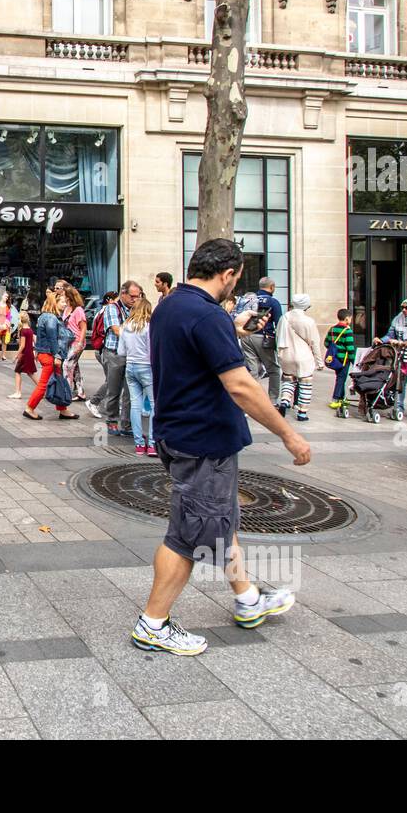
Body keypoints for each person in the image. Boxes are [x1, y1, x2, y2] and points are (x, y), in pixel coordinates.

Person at [133, 239, 309, 657]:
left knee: (221, 521)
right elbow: (241, 384)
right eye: (236, 278)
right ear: (227, 275)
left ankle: (247, 600)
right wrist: (289, 433)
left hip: (179, 433)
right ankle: (153, 624)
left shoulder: (171, 305)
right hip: (203, 441)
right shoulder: (207, 314)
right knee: (188, 535)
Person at [90, 282, 140, 436]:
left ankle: (126, 424)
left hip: (130, 354)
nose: (135, 299)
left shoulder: (135, 309)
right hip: (114, 354)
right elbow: (117, 330)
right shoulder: (112, 308)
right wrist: (137, 334)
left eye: (138, 296)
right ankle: (112, 420)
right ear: (123, 294)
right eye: (132, 296)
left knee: (130, 392)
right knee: (114, 390)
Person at [23, 292, 81, 421]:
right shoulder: (51, 318)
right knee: (43, 384)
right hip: (50, 355)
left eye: (65, 301)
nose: (65, 304)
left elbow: (41, 336)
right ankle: (29, 408)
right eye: (62, 302)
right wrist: (57, 356)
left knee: (59, 380)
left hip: (47, 353)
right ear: (55, 303)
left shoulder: (44, 316)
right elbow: (52, 339)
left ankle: (63, 409)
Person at [276, 294, 324, 421]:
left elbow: (277, 336)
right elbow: (315, 343)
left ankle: (285, 400)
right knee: (305, 384)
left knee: (288, 380)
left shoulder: (284, 317)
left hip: (286, 354)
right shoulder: (309, 321)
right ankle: (302, 413)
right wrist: (319, 362)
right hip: (303, 355)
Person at [118, 296, 155, 456]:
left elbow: (121, 352)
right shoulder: (149, 327)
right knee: (154, 405)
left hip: (130, 366)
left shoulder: (125, 326)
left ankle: (139, 444)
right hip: (146, 366)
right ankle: (152, 443)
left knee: (135, 405)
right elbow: (152, 351)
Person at [239, 276, 283, 404]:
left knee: (253, 370)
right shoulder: (273, 301)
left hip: (245, 336)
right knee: (273, 369)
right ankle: (273, 400)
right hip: (263, 337)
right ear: (272, 287)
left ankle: (253, 399)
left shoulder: (248, 299)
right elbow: (279, 323)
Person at [324, 308, 356, 409]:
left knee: (340, 377)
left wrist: (334, 349)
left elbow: (326, 343)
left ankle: (342, 399)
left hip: (334, 359)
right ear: (347, 319)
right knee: (341, 379)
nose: (350, 321)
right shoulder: (348, 331)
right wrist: (353, 360)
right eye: (350, 318)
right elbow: (350, 347)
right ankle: (336, 399)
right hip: (344, 360)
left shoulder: (332, 329)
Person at [61, 285, 88, 400]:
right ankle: (81, 392)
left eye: (64, 295)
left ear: (69, 297)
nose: (62, 296)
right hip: (68, 341)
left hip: (77, 342)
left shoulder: (78, 310)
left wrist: (80, 343)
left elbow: (83, 328)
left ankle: (67, 391)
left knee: (66, 365)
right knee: (74, 366)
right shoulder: (67, 309)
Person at [11, 310, 36, 399]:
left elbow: (22, 345)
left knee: (18, 371)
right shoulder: (30, 330)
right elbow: (34, 341)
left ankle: (18, 392)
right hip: (30, 354)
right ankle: (43, 389)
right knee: (30, 373)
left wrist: (16, 355)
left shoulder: (23, 331)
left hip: (24, 355)